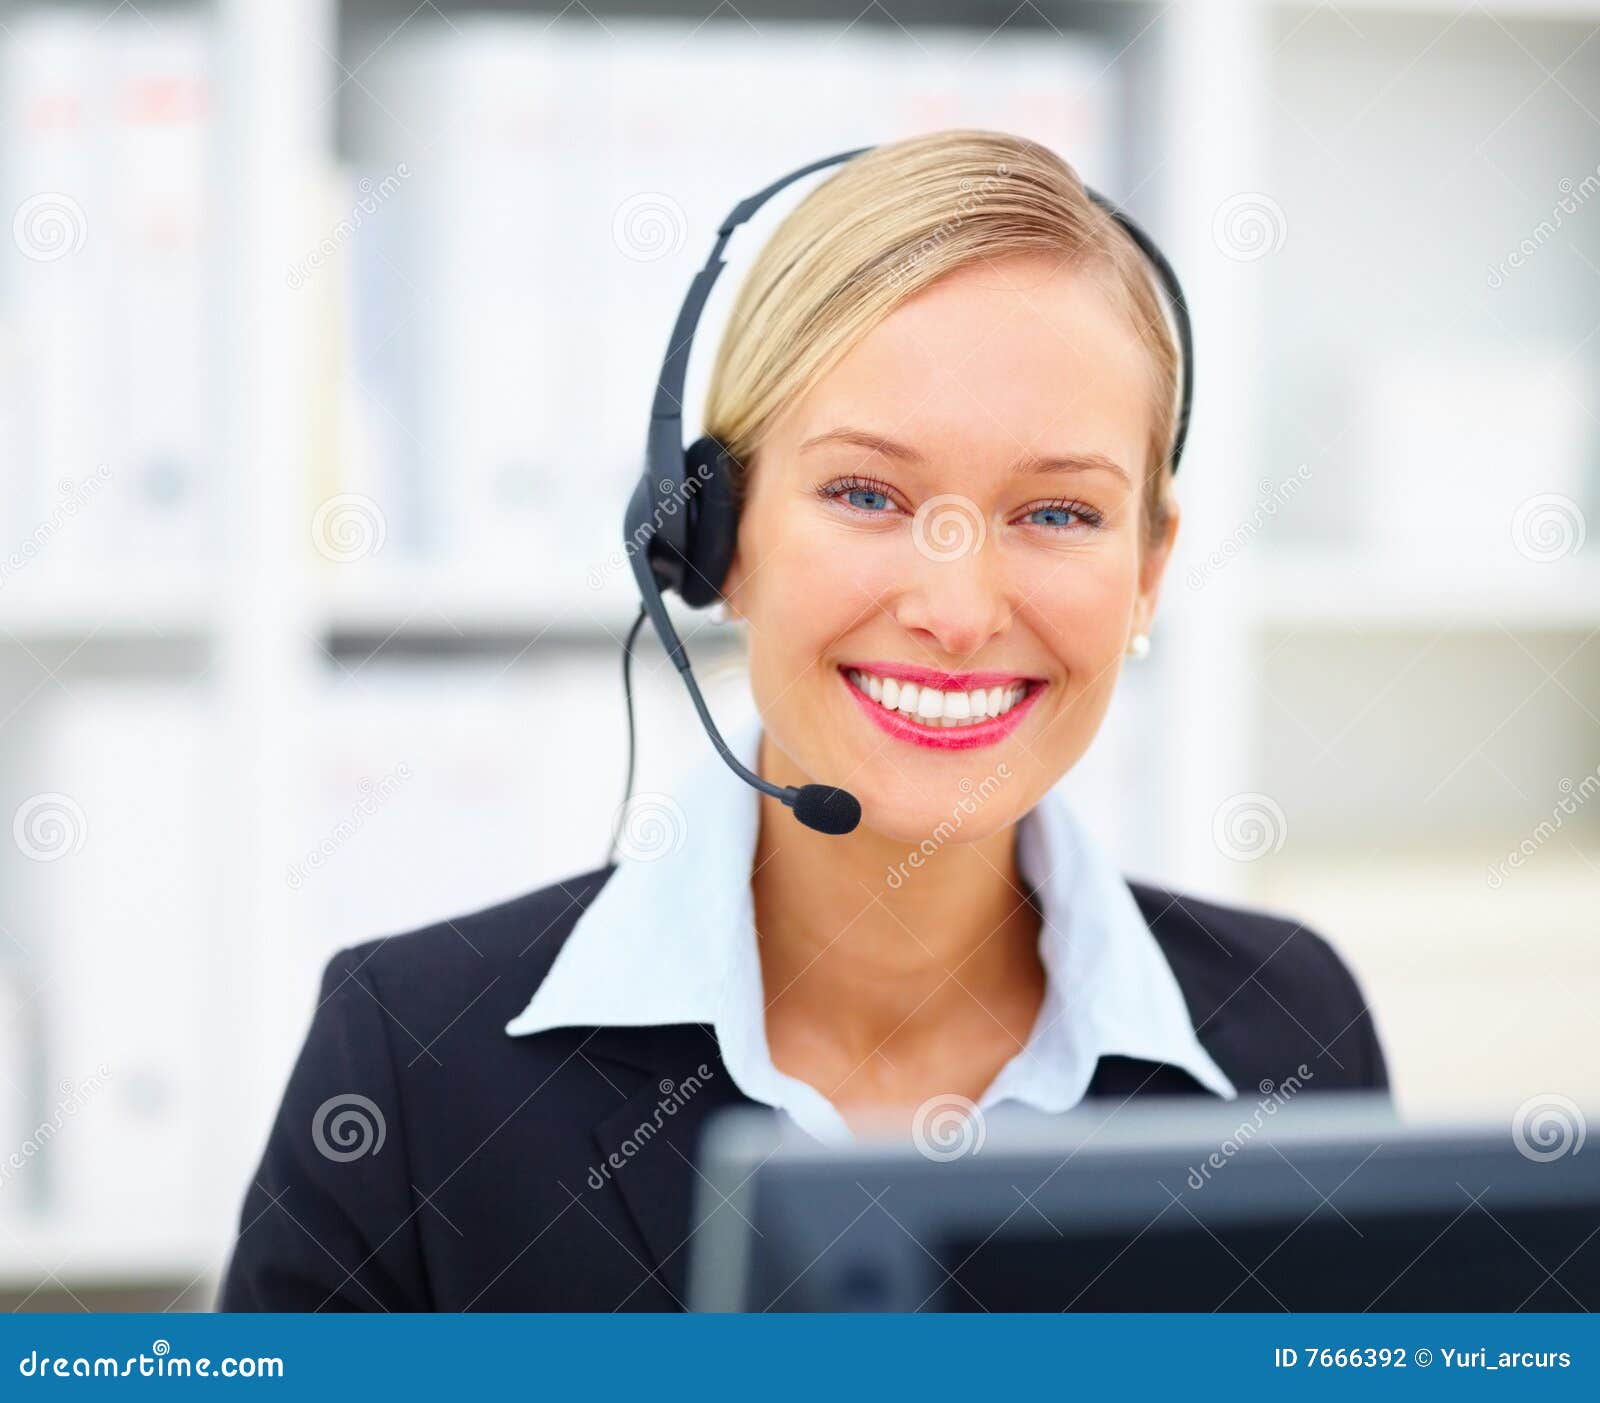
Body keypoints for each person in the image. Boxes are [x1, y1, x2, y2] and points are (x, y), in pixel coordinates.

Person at [219, 130, 1386, 1313]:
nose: (956, 609)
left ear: (1147, 570)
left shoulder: (1292, 1034)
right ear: (715, 539)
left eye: (1057, 511)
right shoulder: (414, 1064)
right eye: (866, 494)